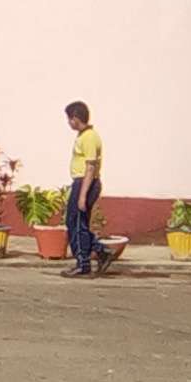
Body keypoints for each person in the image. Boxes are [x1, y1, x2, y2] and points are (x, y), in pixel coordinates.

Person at [61, 100, 107, 277]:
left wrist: (82, 195)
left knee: (77, 224)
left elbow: (90, 166)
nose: (68, 123)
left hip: (85, 183)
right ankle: (99, 250)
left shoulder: (89, 137)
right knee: (73, 222)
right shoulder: (84, 136)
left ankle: (84, 262)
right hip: (81, 182)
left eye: (69, 119)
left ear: (75, 118)